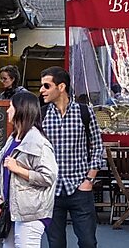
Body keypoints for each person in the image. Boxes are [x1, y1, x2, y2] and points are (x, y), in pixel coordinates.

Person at [38, 66, 103, 248]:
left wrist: (89, 180)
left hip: (79, 187)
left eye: (46, 86)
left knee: (88, 242)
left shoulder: (84, 112)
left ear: (61, 87)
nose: (42, 90)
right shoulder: (41, 114)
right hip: (51, 190)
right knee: (56, 243)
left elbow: (97, 146)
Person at [0, 90, 58, 248]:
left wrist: (18, 169)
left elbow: (48, 177)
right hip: (13, 209)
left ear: (21, 110)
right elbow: (8, 176)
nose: (7, 111)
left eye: (11, 107)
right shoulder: (14, 138)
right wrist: (2, 198)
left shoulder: (38, 142)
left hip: (31, 212)